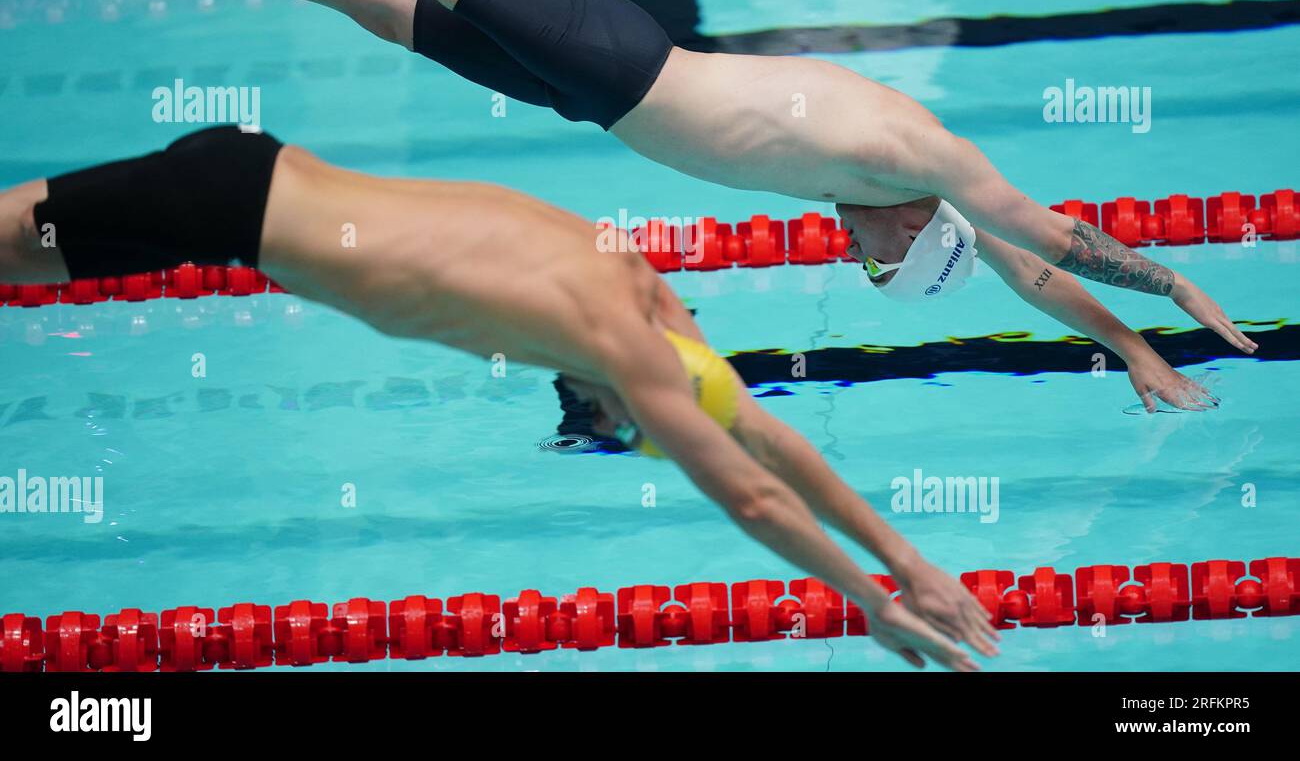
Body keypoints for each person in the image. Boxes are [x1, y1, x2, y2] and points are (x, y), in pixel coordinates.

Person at [49, 0, 1255, 413]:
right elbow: (1049, 238)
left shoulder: (903, 197)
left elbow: (1022, 273)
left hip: (598, 93)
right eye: (881, 264)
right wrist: (1180, 291)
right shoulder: (911, 153)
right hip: (620, 61)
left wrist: (1135, 351)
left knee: (369, 3)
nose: (856, 255)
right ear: (908, 228)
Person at [0, 125, 998, 670]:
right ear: (615, 395)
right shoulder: (606, 332)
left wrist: (909, 558)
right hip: (221, 202)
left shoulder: (636, 284)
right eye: (629, 427)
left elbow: (763, 434)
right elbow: (751, 494)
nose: (625, 424)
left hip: (238, 187)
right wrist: (871, 599)